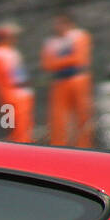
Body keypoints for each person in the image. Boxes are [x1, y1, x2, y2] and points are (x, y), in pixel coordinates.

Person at [42, 11, 93, 147]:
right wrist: (67, 61)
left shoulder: (79, 36)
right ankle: (59, 146)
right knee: (58, 119)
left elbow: (79, 59)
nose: (57, 27)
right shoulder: (51, 42)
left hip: (78, 79)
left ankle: (84, 145)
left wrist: (58, 61)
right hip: (59, 82)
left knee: (82, 115)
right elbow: (47, 64)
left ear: (68, 23)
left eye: (60, 23)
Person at [0, 22, 32, 143]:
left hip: (18, 95)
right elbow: (9, 77)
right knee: (12, 128)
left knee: (22, 129)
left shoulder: (11, 52)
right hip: (10, 97)